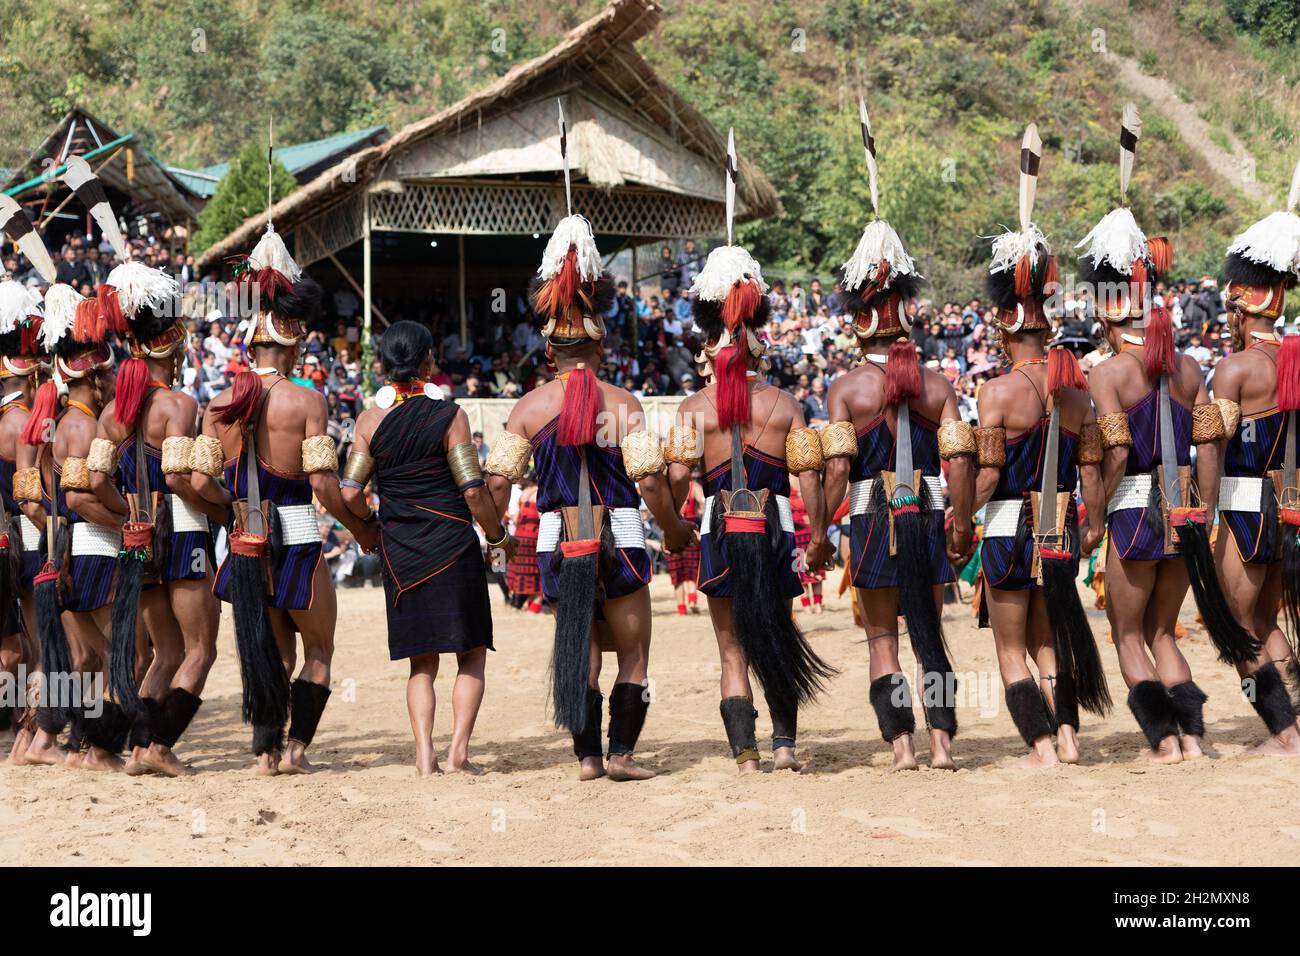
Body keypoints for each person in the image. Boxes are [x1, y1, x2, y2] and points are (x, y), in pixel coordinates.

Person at [484, 209, 694, 782]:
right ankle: (623, 754)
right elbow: (649, 481)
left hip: (557, 540)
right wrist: (674, 529)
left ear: (549, 351)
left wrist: (495, 534)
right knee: (634, 655)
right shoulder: (623, 404)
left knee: (582, 649)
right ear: (600, 346)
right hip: (622, 537)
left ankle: (588, 758)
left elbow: (496, 486)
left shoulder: (527, 409)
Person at [1080, 106, 1247, 763]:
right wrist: (1201, 511)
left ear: (1103, 302)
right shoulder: (1189, 366)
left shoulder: (1108, 374)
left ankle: (1165, 741)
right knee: (1165, 631)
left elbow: (1116, 453)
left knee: (1127, 633)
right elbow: (1212, 444)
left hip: (1134, 512)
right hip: (1183, 508)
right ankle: (1196, 737)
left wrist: (1097, 518)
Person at [820, 109, 976, 771]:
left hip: (869, 517)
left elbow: (833, 476)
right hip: (928, 514)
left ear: (861, 318)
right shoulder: (939, 386)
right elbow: (963, 467)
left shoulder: (846, 390)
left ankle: (903, 746)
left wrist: (817, 530)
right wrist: (962, 525)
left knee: (881, 634)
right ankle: (943, 745)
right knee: (930, 634)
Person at [195, 223, 378, 774]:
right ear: (293, 342)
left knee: (271, 653)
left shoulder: (217, 404)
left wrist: (232, 511)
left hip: (244, 539)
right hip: (297, 533)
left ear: (251, 344)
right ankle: (296, 749)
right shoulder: (306, 401)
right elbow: (323, 485)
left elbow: (201, 482)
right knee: (318, 651)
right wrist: (360, 527)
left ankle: (265, 753)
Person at [667, 235, 834, 775]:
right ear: (758, 338)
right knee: (777, 633)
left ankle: (746, 757)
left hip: (719, 530)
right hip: (774, 529)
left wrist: (674, 523)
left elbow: (674, 480)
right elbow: (809, 476)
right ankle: (784, 746)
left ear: (708, 343)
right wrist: (819, 535)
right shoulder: (787, 405)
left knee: (732, 651)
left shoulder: (693, 409)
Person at [971, 125, 1110, 767]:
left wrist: (957, 519)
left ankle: (1040, 748)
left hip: (1005, 526)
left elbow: (986, 479)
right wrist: (1091, 528)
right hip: (1058, 524)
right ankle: (1071, 737)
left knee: (1009, 647)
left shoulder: (996, 394)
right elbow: (1089, 474)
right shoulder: (1076, 393)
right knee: (1052, 639)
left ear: (1004, 322)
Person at [341, 321, 509, 776]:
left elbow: (351, 492)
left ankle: (423, 757)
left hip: (401, 551)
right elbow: (474, 491)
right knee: (470, 652)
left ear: (381, 365)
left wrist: (370, 529)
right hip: (453, 545)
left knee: (421, 663)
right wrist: (497, 537)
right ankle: (458, 753)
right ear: (428, 362)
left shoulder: (368, 422)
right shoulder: (451, 416)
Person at [86, 260, 222, 776]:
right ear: (174, 342)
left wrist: (130, 515)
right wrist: (227, 507)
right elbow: (183, 480)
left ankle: (141, 746)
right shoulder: (178, 405)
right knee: (199, 650)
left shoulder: (111, 413)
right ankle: (156, 746)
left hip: (136, 541)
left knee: (164, 652)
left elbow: (96, 482)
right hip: (183, 533)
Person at [1208, 174, 1300, 753]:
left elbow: (1211, 447)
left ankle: (1282, 730)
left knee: (1237, 627)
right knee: (1270, 620)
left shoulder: (1235, 369)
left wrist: (1201, 507)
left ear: (1242, 309)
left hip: (1243, 506)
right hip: (1292, 499)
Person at [0, 278, 42, 761]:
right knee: (36, 641)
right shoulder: (22, 425)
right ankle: (29, 737)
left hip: (5, 538)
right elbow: (31, 493)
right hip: (26, 535)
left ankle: (20, 732)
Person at [666, 475, 703, 615]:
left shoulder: (667, 488)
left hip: (672, 529)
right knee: (690, 568)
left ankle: (681, 607)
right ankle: (692, 601)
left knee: (678, 571)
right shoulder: (694, 487)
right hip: (690, 530)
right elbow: (703, 502)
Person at [506, 475, 542, 614]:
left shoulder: (524, 494)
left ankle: (528, 603)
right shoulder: (540, 492)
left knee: (524, 572)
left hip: (519, 537)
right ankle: (536, 603)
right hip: (534, 537)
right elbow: (540, 516)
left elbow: (515, 519)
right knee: (538, 572)